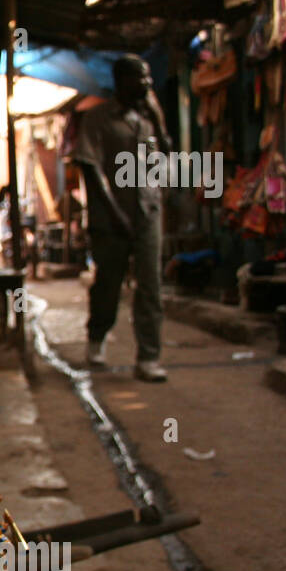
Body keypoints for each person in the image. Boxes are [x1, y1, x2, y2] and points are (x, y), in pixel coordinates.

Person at [71, 55, 171, 382]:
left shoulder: (146, 120)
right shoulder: (98, 118)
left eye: (148, 78)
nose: (146, 84)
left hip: (148, 213)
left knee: (151, 287)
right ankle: (97, 336)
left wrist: (157, 118)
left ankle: (149, 357)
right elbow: (90, 166)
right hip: (111, 219)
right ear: (121, 80)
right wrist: (115, 213)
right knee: (109, 284)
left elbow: (167, 157)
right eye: (139, 77)